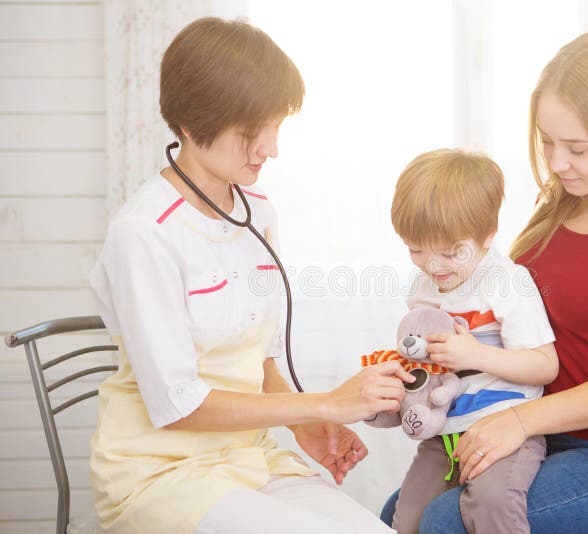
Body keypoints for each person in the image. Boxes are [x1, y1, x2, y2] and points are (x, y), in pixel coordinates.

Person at [88, 17, 413, 534]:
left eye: (275, 126)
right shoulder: (143, 233)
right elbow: (177, 405)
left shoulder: (257, 212)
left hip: (248, 459)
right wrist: (328, 401)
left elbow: (256, 360)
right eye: (250, 132)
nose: (270, 148)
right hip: (163, 475)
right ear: (193, 125)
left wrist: (305, 422)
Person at [380, 31, 588, 533]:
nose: (556, 163)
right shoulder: (559, 200)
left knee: (445, 523)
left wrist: (518, 421)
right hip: (542, 438)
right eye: (548, 141)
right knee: (395, 515)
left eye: (576, 147)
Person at [387, 149, 559, 533]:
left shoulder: (506, 282)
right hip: (443, 434)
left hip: (505, 428)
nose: (434, 267)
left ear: (487, 235)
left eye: (450, 253)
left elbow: (545, 365)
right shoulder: (422, 289)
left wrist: (476, 354)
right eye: (416, 249)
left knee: (493, 504)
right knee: (407, 519)